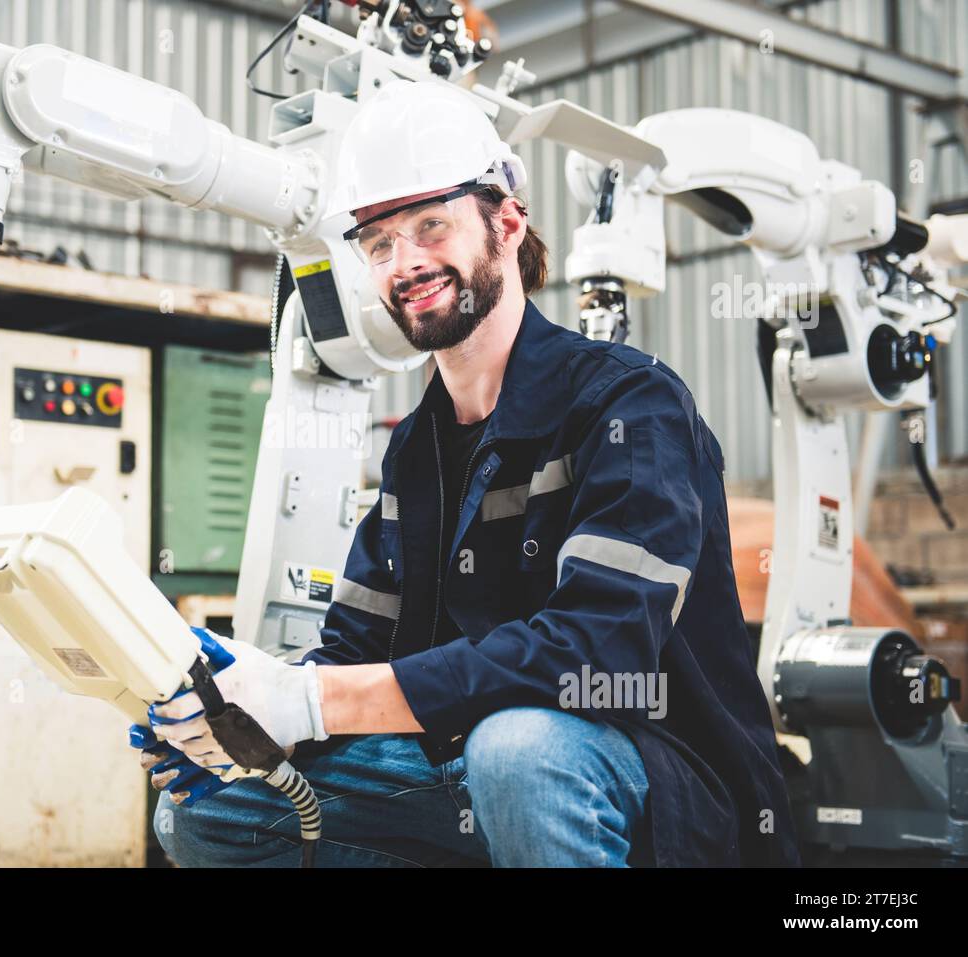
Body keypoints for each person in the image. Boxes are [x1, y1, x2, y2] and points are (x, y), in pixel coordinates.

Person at [136, 80, 800, 867]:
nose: (405, 261)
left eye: (430, 224)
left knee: (518, 751)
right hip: (458, 767)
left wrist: (312, 704)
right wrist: (245, 711)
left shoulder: (629, 404)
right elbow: (353, 651)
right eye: (379, 242)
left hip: (661, 784)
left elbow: (596, 652)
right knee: (208, 810)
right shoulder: (416, 450)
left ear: (507, 221)